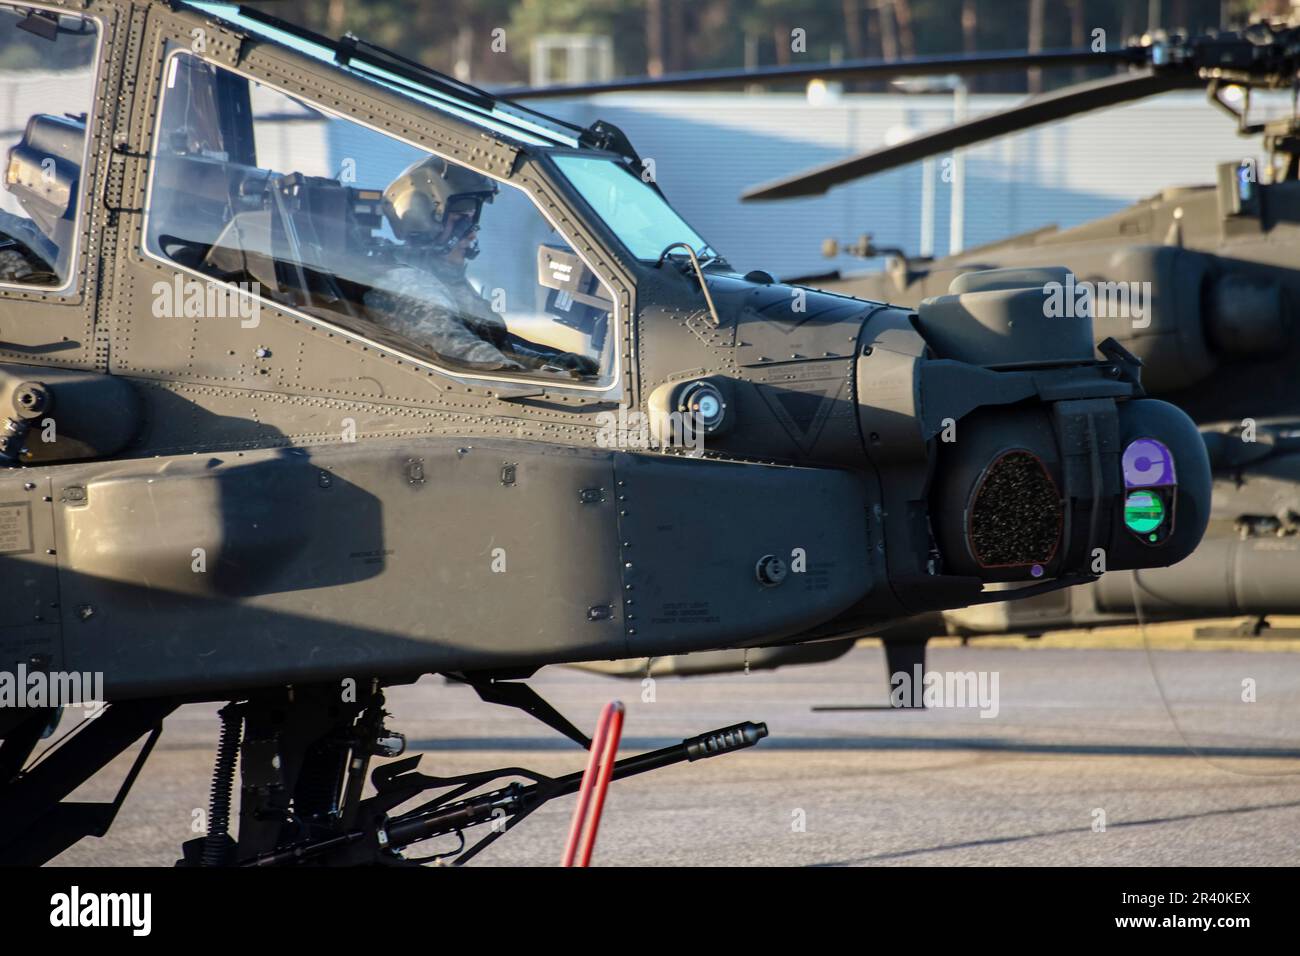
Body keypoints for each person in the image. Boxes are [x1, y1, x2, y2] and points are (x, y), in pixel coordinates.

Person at [363, 156, 596, 377]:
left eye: (473, 220)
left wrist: (551, 363)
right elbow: (464, 354)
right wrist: (533, 377)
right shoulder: (405, 282)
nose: (472, 234)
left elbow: (492, 344)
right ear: (421, 219)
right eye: (462, 220)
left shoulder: (444, 278)